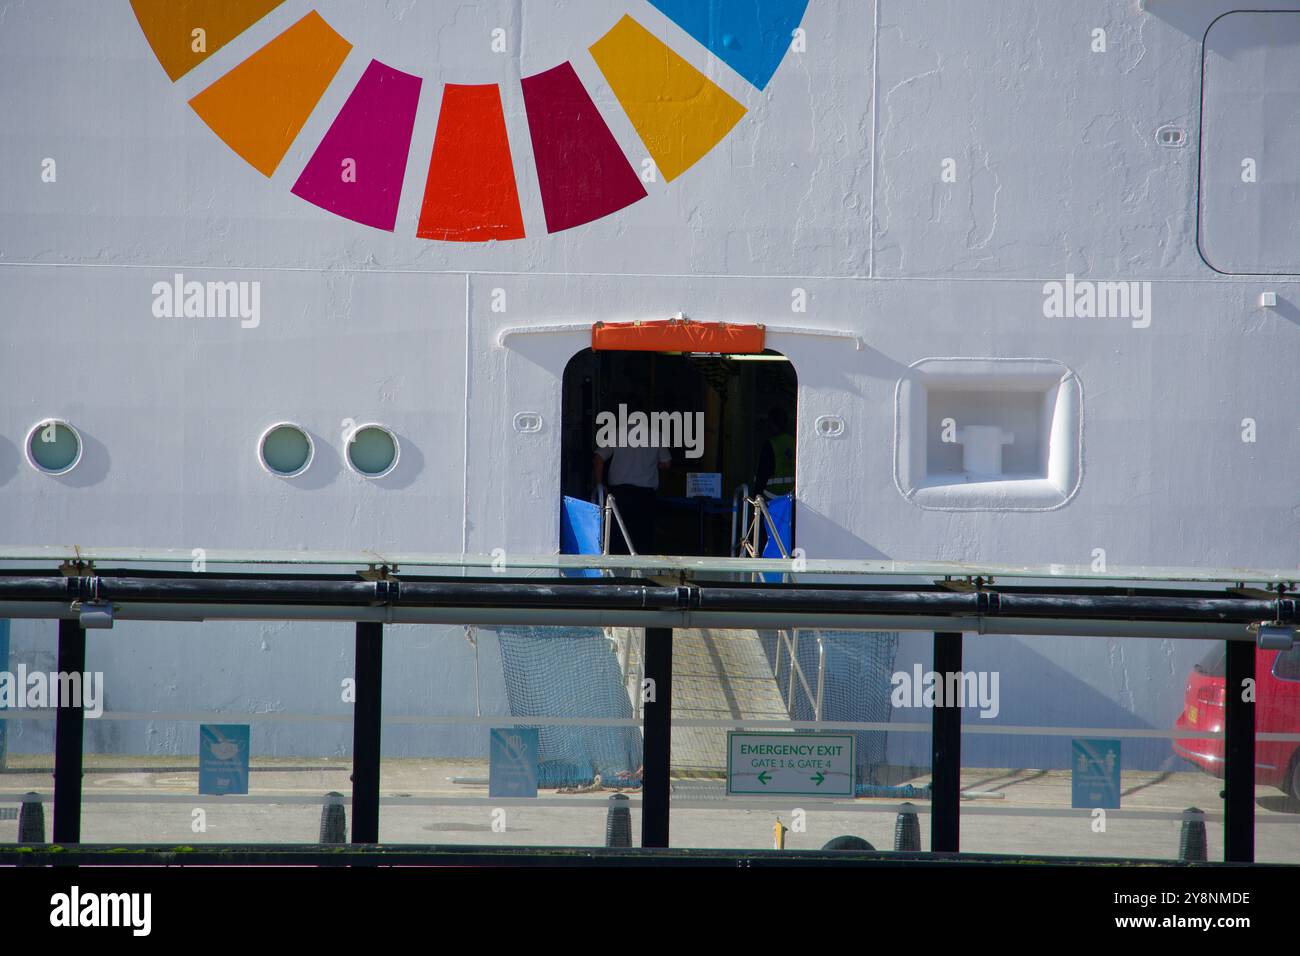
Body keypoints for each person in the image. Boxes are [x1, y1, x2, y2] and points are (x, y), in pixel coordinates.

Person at [593, 395, 671, 554]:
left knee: (617, 538)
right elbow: (667, 463)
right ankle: (642, 574)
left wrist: (599, 484)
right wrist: (651, 463)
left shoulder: (617, 434)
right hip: (645, 495)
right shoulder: (655, 436)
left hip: (619, 495)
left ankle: (618, 574)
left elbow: (598, 458)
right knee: (643, 539)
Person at [753, 406, 795, 499]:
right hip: (789, 496)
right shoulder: (794, 442)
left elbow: (763, 473)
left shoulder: (770, 444)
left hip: (770, 496)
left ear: (771, 423)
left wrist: (756, 495)